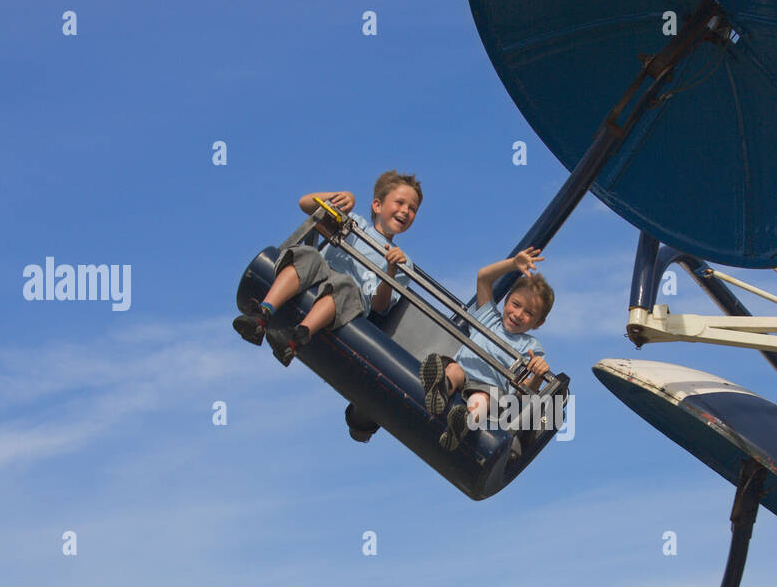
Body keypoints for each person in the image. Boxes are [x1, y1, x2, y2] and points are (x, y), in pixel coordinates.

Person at [233, 170, 421, 366]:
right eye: (399, 203)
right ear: (377, 205)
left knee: (344, 284)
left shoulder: (402, 261)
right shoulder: (356, 223)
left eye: (412, 208)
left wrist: (390, 272)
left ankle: (296, 337)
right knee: (309, 255)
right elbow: (305, 203)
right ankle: (262, 315)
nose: (405, 211)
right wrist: (340, 197)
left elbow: (379, 305)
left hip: (349, 295)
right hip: (319, 273)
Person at [419, 248, 553, 450]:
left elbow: (526, 390)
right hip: (463, 372)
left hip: (490, 390)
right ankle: (439, 391)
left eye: (528, 313)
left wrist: (538, 375)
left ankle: (463, 423)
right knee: (453, 370)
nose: (518, 314)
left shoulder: (530, 346)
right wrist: (513, 264)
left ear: (538, 322)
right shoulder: (488, 318)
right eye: (516, 304)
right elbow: (483, 277)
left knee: (480, 399)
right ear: (506, 301)